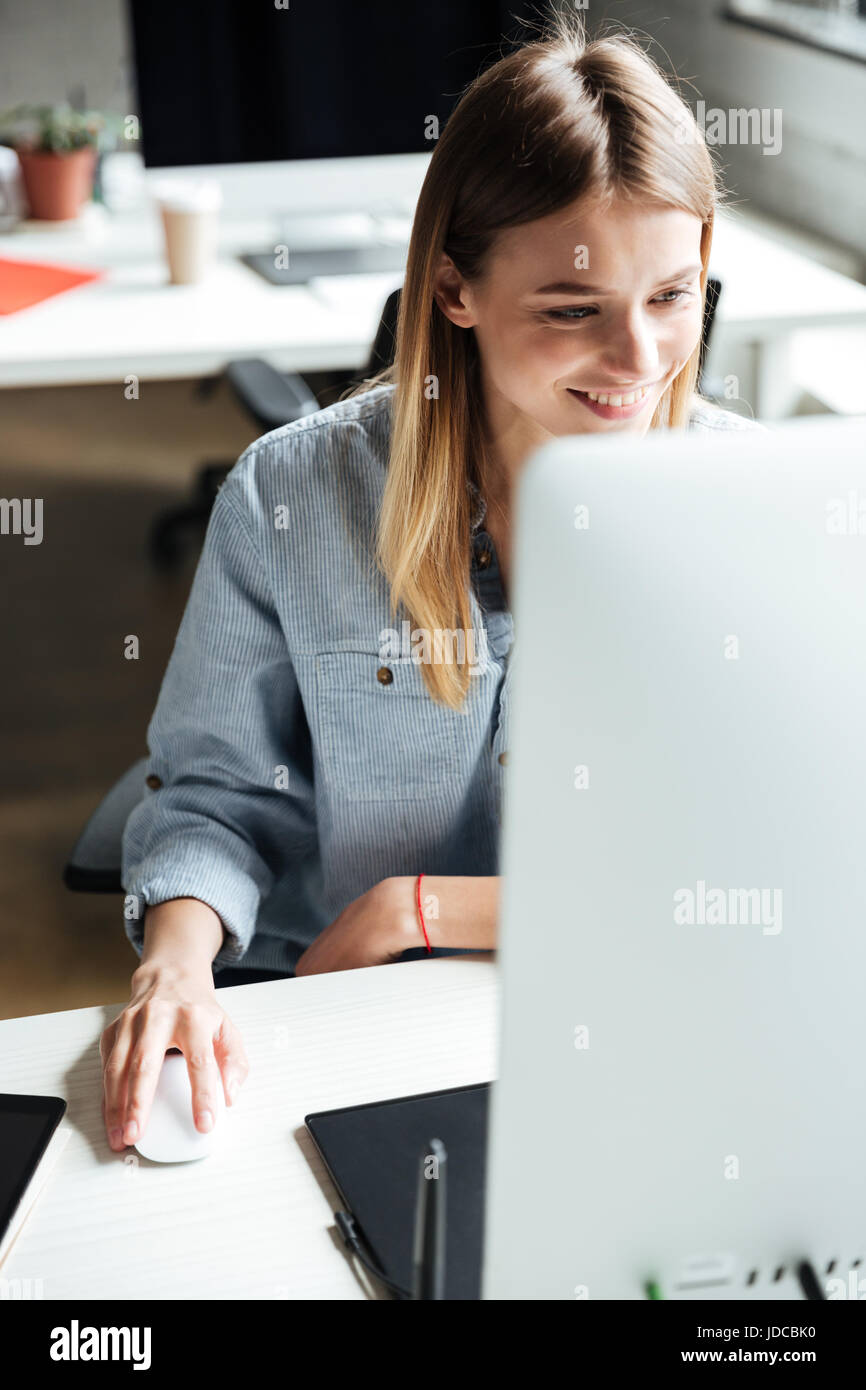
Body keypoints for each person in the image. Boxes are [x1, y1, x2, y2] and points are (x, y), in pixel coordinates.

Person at [100, 13, 764, 1151]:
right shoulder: (290, 495)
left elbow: (758, 871)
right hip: (333, 1014)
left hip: (620, 1009)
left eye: (670, 298)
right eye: (572, 312)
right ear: (453, 289)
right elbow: (216, 799)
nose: (643, 363)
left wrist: (423, 909)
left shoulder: (750, 510)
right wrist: (174, 959)